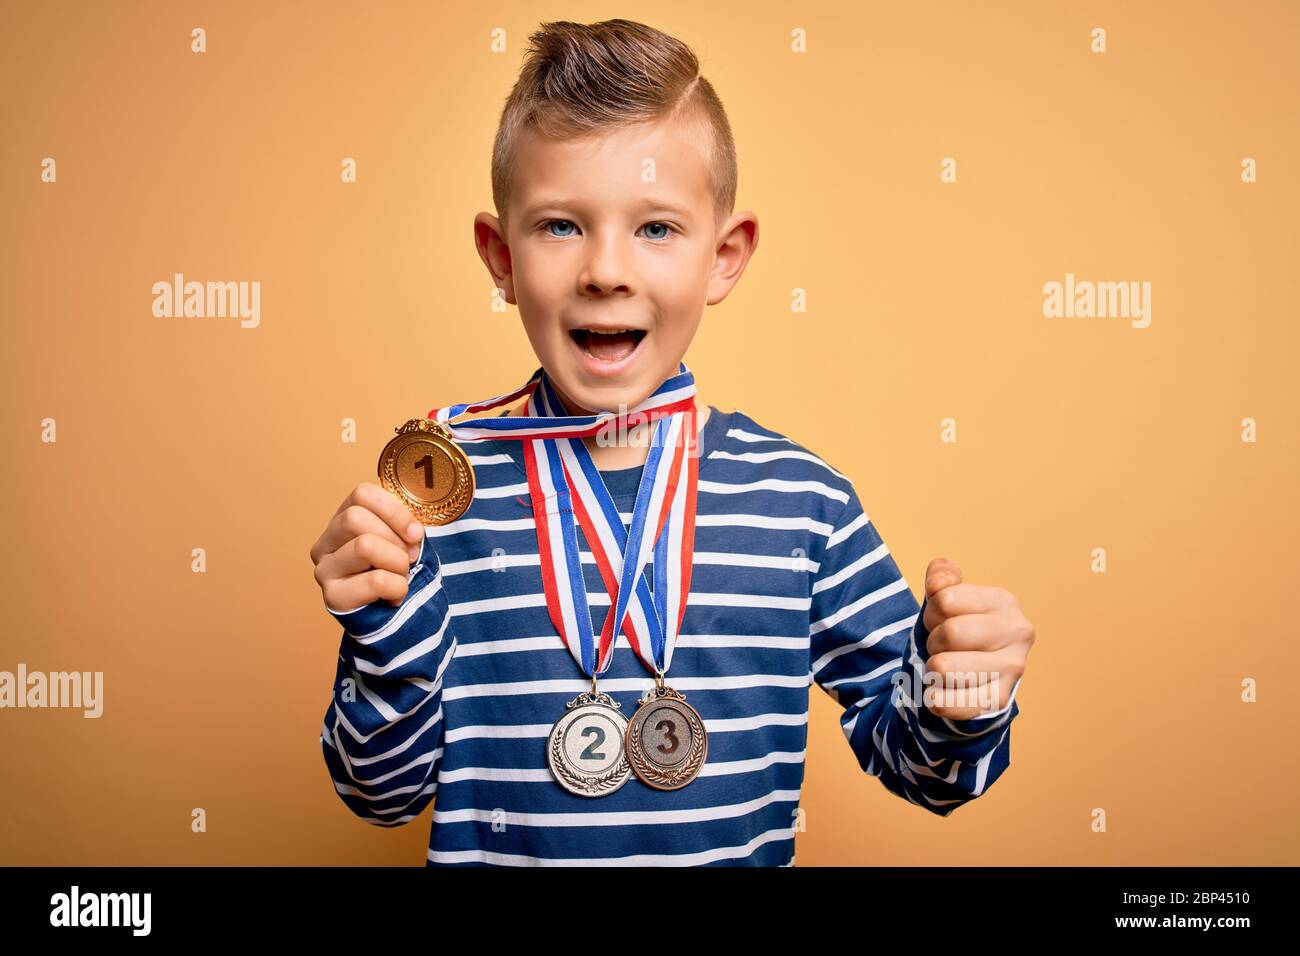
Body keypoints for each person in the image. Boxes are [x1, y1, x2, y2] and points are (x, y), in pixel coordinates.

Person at [308, 18, 1035, 866]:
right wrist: (378, 627)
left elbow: (922, 771)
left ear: (724, 257)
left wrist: (959, 693)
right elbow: (379, 795)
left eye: (655, 228)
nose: (606, 270)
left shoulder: (803, 504)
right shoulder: (435, 498)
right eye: (559, 227)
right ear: (499, 258)